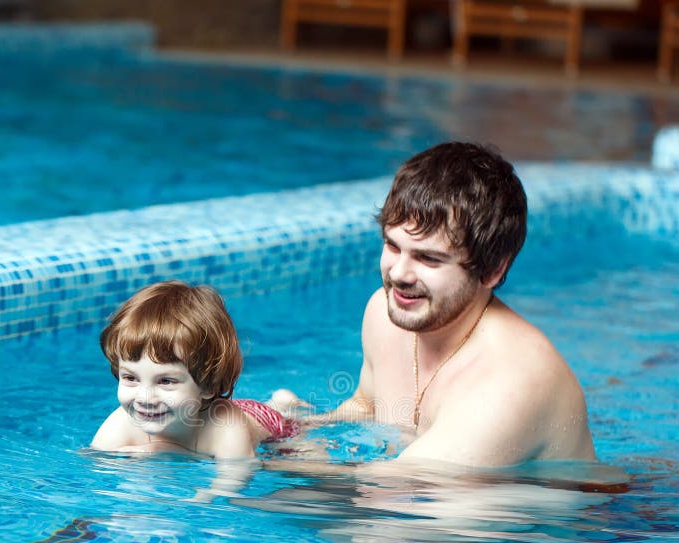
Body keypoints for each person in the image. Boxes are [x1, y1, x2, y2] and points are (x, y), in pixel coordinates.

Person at [278, 141, 596, 468]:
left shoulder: (512, 383)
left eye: (428, 259)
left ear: (492, 270)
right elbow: (366, 405)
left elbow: (401, 491)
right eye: (392, 246)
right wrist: (293, 427)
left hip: (553, 502)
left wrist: (279, 458)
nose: (398, 274)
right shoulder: (384, 315)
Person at [91, 281, 297, 459]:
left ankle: (283, 405)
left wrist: (165, 450)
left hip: (263, 420)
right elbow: (96, 467)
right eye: (130, 378)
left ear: (208, 386)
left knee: (298, 460)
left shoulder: (227, 427)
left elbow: (235, 478)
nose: (144, 398)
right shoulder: (121, 422)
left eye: (165, 381)